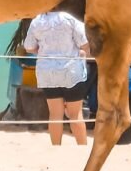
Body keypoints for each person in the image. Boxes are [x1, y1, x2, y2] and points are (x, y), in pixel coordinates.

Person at [23, 11, 90, 145]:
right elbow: (84, 43)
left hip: (48, 73)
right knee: (75, 114)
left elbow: (28, 47)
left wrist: (42, 51)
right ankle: (82, 149)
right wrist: (81, 52)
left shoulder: (37, 21)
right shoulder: (69, 18)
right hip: (70, 71)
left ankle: (56, 149)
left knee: (55, 114)